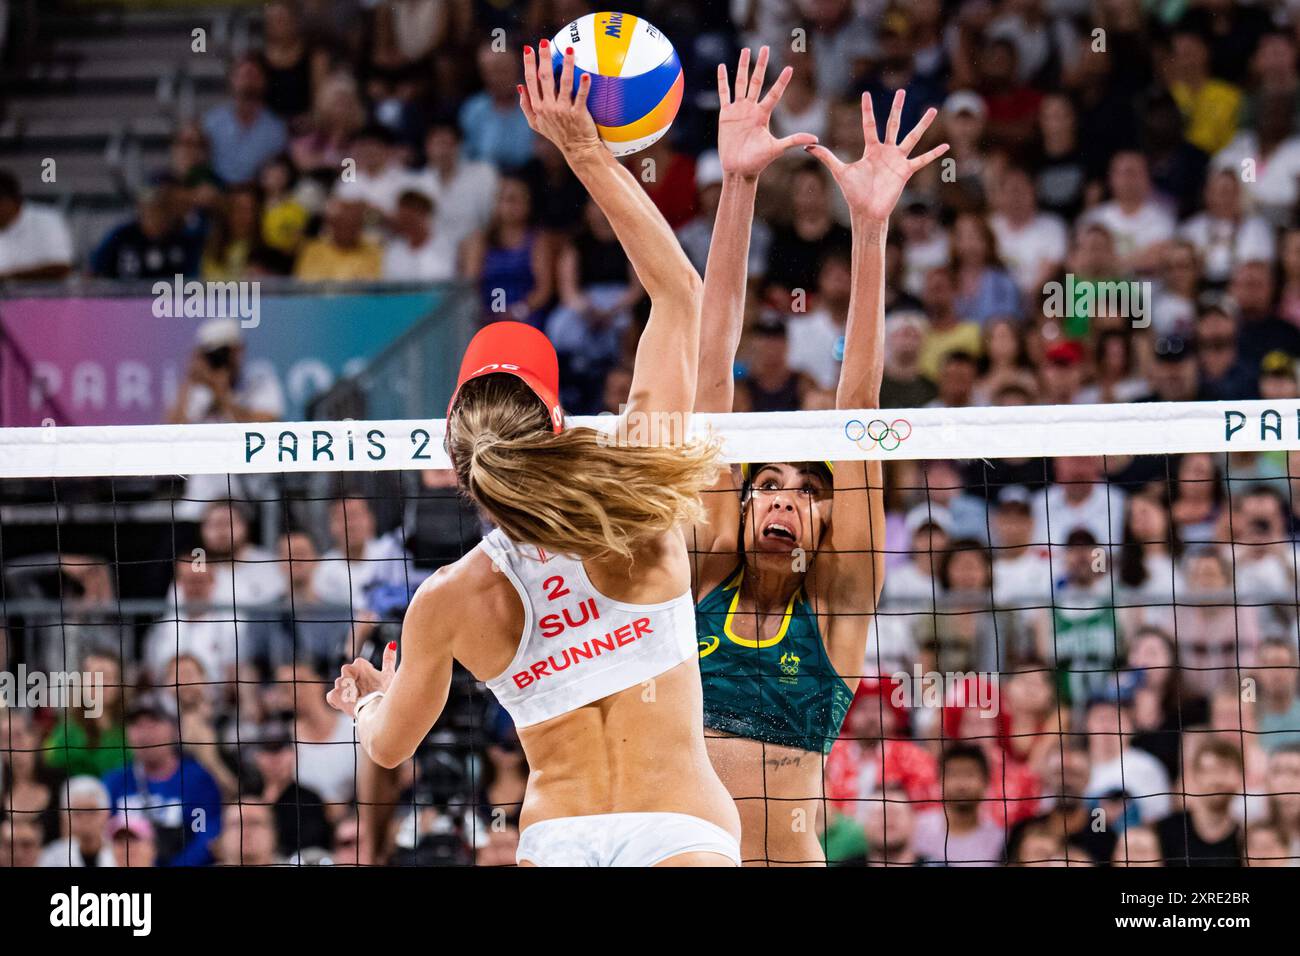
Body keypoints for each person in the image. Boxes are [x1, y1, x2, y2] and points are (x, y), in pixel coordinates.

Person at [326, 45, 741, 867]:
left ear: (455, 451)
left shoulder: (448, 598)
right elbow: (679, 295)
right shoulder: (635, 497)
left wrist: (368, 707)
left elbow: (387, 749)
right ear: (555, 422)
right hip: (680, 826)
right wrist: (584, 149)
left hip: (556, 836)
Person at [688, 49, 947, 866]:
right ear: (741, 507)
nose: (784, 500)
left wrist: (869, 231)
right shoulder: (698, 578)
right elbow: (708, 379)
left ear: (826, 518)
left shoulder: (838, 608)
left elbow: (859, 412)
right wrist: (739, 186)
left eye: (806, 490)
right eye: (766, 485)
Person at [102, 692, 223, 867]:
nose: (144, 733)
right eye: (136, 725)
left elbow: (205, 835)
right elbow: (103, 837)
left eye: (154, 723)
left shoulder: (197, 781)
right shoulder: (114, 782)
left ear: (174, 729)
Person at [166, 318, 285, 425]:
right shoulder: (197, 390)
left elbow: (268, 427)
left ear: (240, 349)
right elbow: (170, 434)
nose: (220, 359)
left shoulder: (258, 378)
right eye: (212, 354)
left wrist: (222, 394)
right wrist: (189, 380)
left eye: (224, 351)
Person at [201, 55, 289, 186]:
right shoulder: (211, 123)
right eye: (242, 75)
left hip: (257, 194)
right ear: (231, 79)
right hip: (216, 191)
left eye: (253, 74)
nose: (247, 80)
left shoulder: (277, 129)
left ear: (264, 81)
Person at [1156, 737, 1244, 866]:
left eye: (1225, 770)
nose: (1217, 780)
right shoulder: (1165, 831)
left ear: (1240, 777)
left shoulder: (1245, 839)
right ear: (1195, 776)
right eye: (1209, 771)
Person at [0, 168, 73, 280]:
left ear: (10, 201)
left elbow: (61, 267)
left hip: (48, 296)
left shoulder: (47, 220)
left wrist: (9, 277)